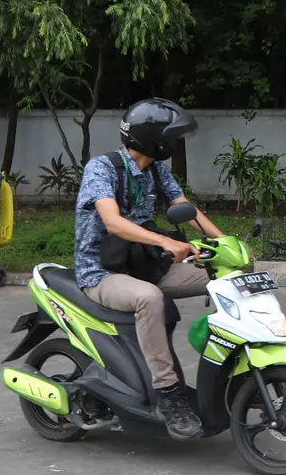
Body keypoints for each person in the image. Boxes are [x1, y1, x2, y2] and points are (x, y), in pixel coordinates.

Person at [73, 98, 224, 439]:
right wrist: (166, 243)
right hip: (102, 273)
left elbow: (185, 207)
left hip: (143, 263)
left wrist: (227, 245)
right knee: (150, 299)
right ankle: (168, 396)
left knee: (222, 278)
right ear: (151, 140)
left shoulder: (156, 169)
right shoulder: (101, 169)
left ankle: (230, 364)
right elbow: (113, 223)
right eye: (169, 138)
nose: (173, 145)